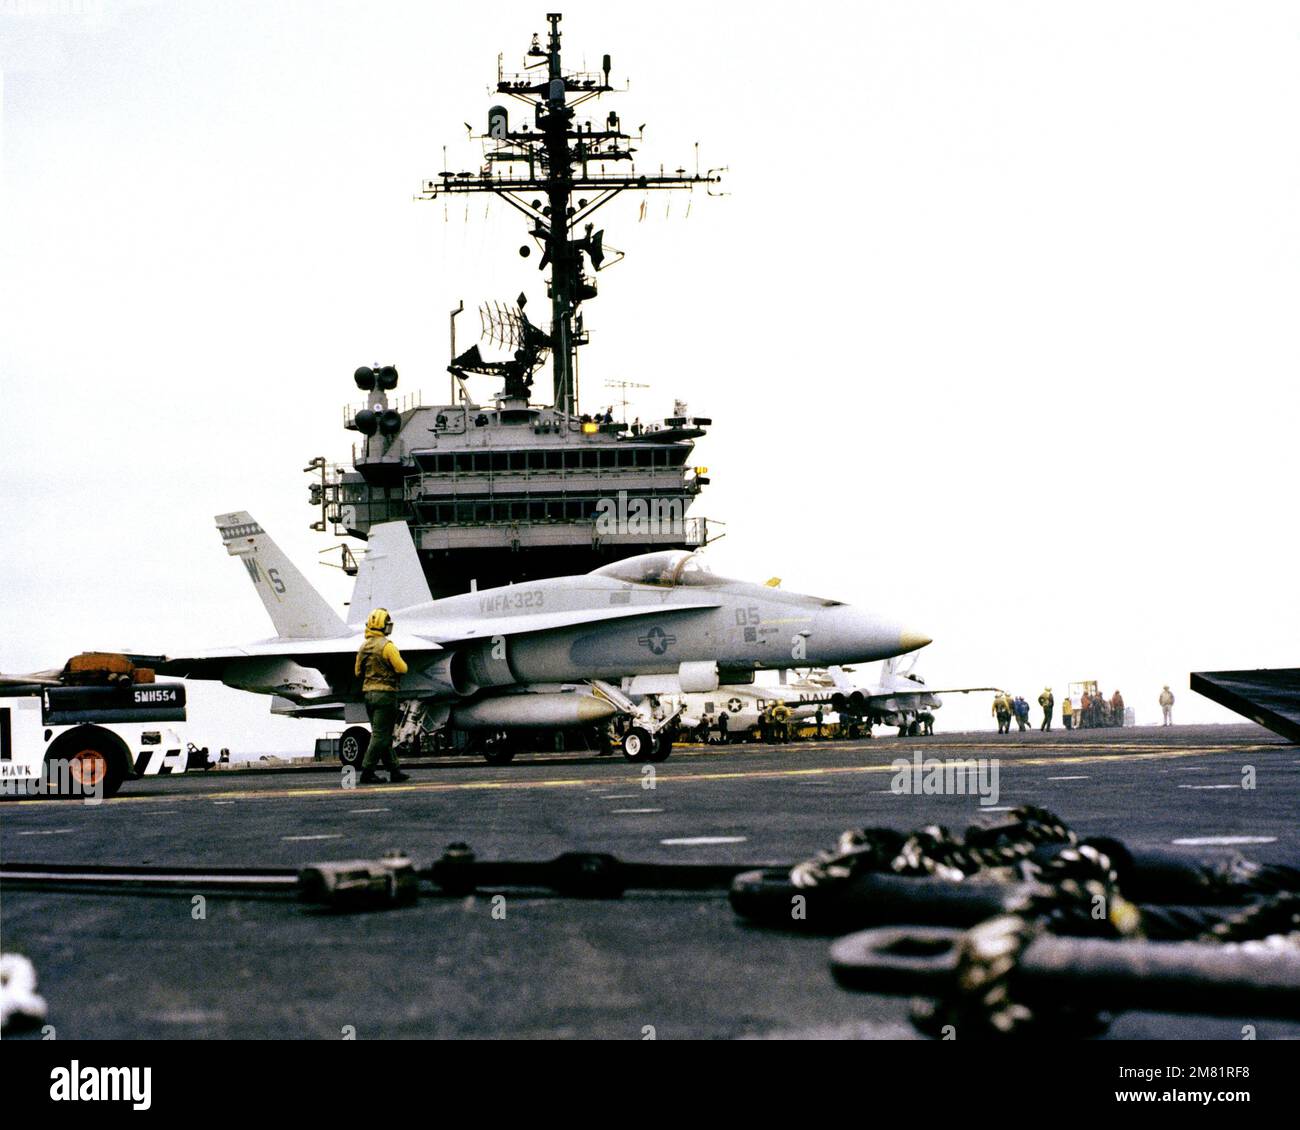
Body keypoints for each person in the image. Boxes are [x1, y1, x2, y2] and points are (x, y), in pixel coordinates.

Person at [354, 607, 410, 784]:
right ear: (381, 625)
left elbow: (357, 672)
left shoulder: (363, 647)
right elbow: (402, 668)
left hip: (368, 695)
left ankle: (394, 770)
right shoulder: (387, 646)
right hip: (386, 695)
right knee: (380, 736)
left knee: (382, 734)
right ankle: (367, 771)